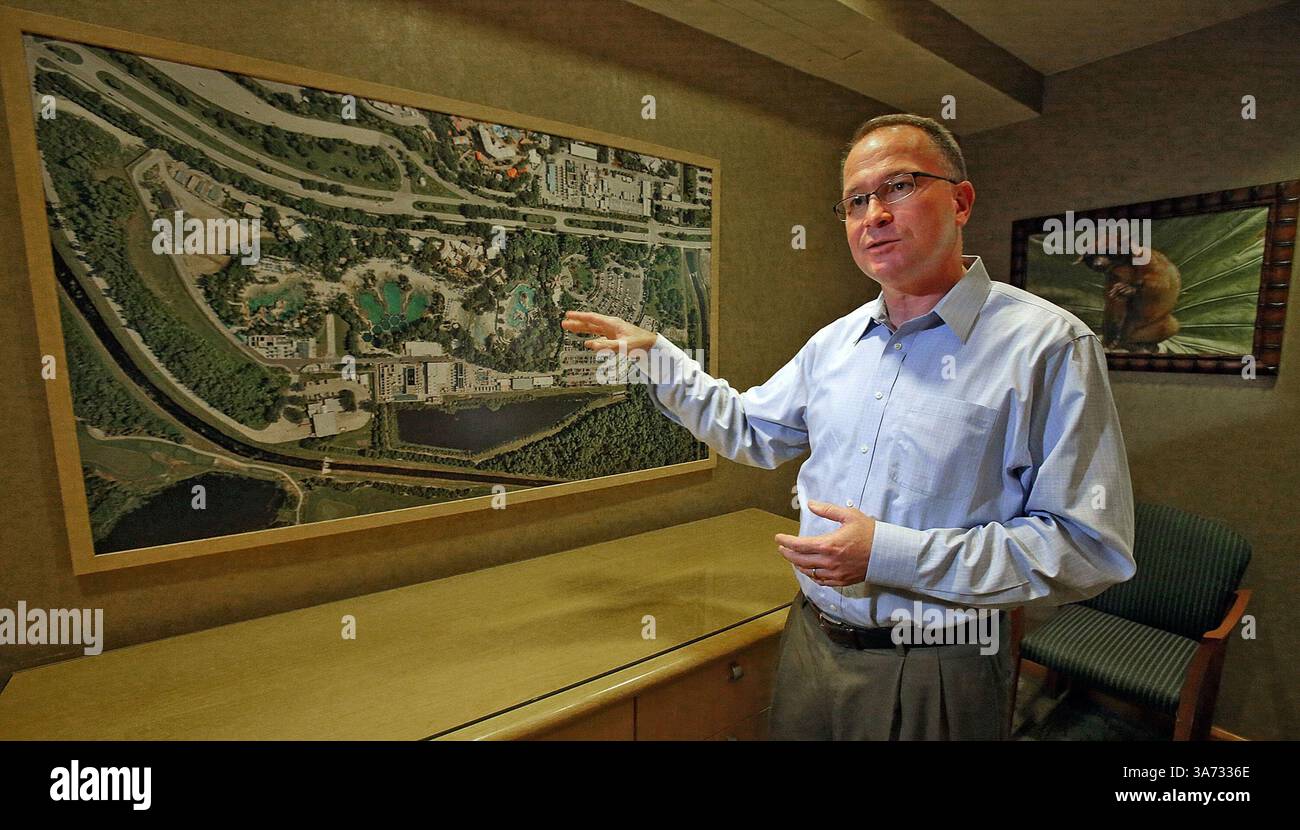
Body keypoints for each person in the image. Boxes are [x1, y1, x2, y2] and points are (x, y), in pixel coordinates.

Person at [561, 113, 1136, 740]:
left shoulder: (1048, 346)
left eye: (900, 186)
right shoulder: (835, 343)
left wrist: (889, 554)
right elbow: (751, 430)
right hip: (811, 637)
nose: (875, 214)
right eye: (857, 200)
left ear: (962, 201)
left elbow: (1088, 547)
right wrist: (658, 359)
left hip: (936, 666)